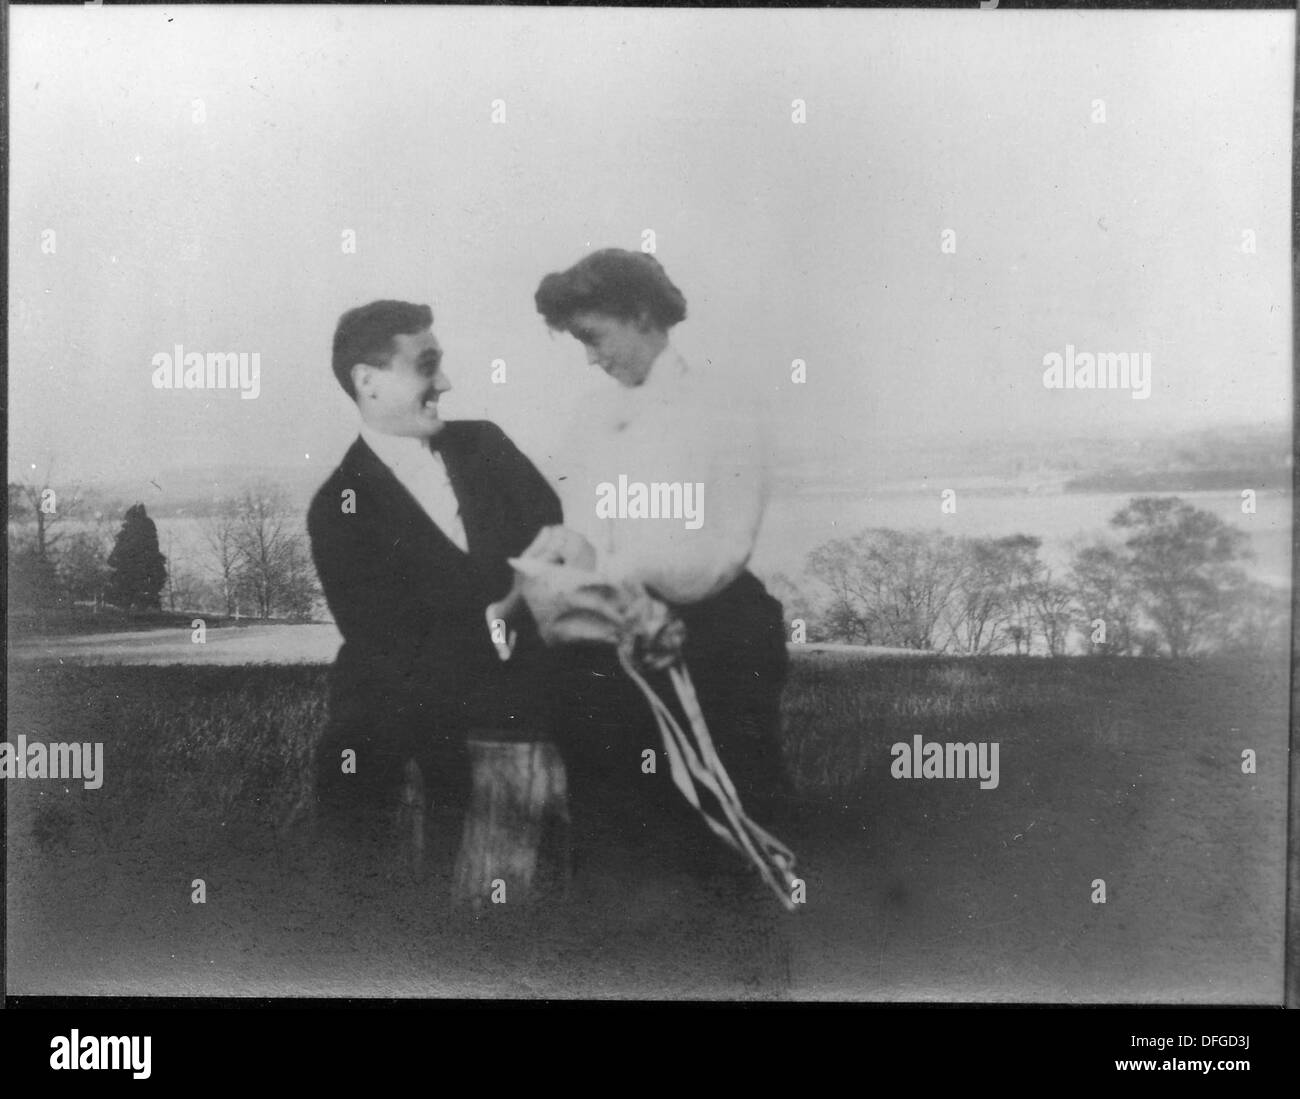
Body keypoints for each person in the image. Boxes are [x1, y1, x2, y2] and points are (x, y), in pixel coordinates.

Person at [529, 250, 794, 903]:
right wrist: (564, 559)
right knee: (617, 831)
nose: (589, 357)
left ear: (642, 314)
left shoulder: (725, 403)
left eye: (593, 336)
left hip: (713, 635)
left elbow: (723, 551)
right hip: (611, 639)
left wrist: (619, 572)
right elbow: (588, 531)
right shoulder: (591, 416)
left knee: (724, 826)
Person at [307, 300, 562, 870]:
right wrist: (508, 608)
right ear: (368, 382)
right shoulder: (339, 509)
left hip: (519, 687)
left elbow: (555, 540)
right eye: (427, 366)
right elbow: (398, 651)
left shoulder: (486, 446)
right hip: (407, 709)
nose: (445, 383)